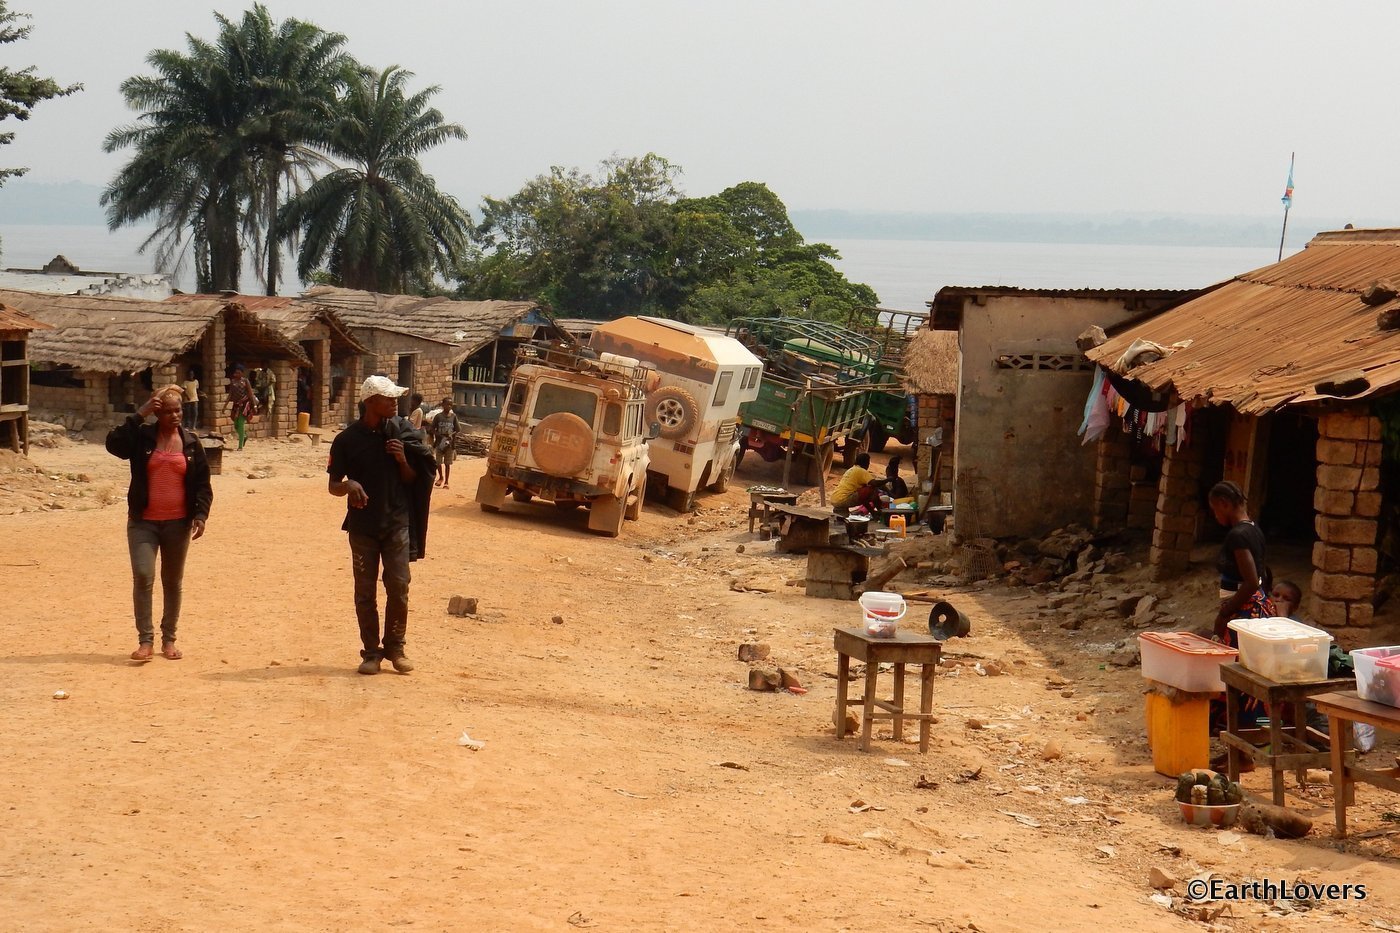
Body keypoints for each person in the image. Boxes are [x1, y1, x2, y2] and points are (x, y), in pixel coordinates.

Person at [327, 375, 436, 675]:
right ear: (370, 402)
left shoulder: (401, 432)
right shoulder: (346, 440)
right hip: (362, 527)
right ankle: (371, 652)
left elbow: (415, 479)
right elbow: (333, 485)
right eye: (388, 398)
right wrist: (350, 486)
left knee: (399, 586)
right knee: (365, 592)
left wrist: (403, 460)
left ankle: (396, 648)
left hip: (397, 523)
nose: (395, 402)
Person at [105, 385, 213, 662]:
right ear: (157, 413)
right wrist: (139, 414)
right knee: (143, 576)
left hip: (178, 523)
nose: (174, 416)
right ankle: (145, 641)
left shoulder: (190, 443)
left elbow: (202, 484)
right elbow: (113, 444)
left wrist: (200, 515)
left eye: (178, 410)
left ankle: (169, 639)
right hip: (143, 522)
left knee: (172, 581)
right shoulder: (142, 438)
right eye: (167, 412)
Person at [1209, 480, 1276, 641]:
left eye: (1215, 510)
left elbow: (1251, 581)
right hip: (1253, 604)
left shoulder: (1237, 535)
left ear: (1224, 504)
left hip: (1242, 609)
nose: (1215, 516)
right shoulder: (1254, 529)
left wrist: (1226, 612)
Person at [430, 397, 460, 489]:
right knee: (438, 462)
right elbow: (431, 429)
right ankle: (441, 477)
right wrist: (438, 435)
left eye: (451, 405)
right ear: (443, 405)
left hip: (449, 444)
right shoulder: (438, 416)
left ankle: (446, 481)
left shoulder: (453, 417)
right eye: (447, 404)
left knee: (447, 463)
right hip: (439, 443)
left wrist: (451, 436)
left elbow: (457, 429)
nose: (449, 406)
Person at [225, 366, 256, 450]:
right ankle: (244, 436)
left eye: (238, 372)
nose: (236, 374)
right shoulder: (233, 382)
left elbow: (250, 394)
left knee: (241, 424)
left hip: (244, 405)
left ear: (242, 373)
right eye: (236, 372)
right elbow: (230, 394)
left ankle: (240, 446)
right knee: (236, 425)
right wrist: (225, 406)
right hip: (236, 405)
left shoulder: (245, 381)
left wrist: (254, 406)